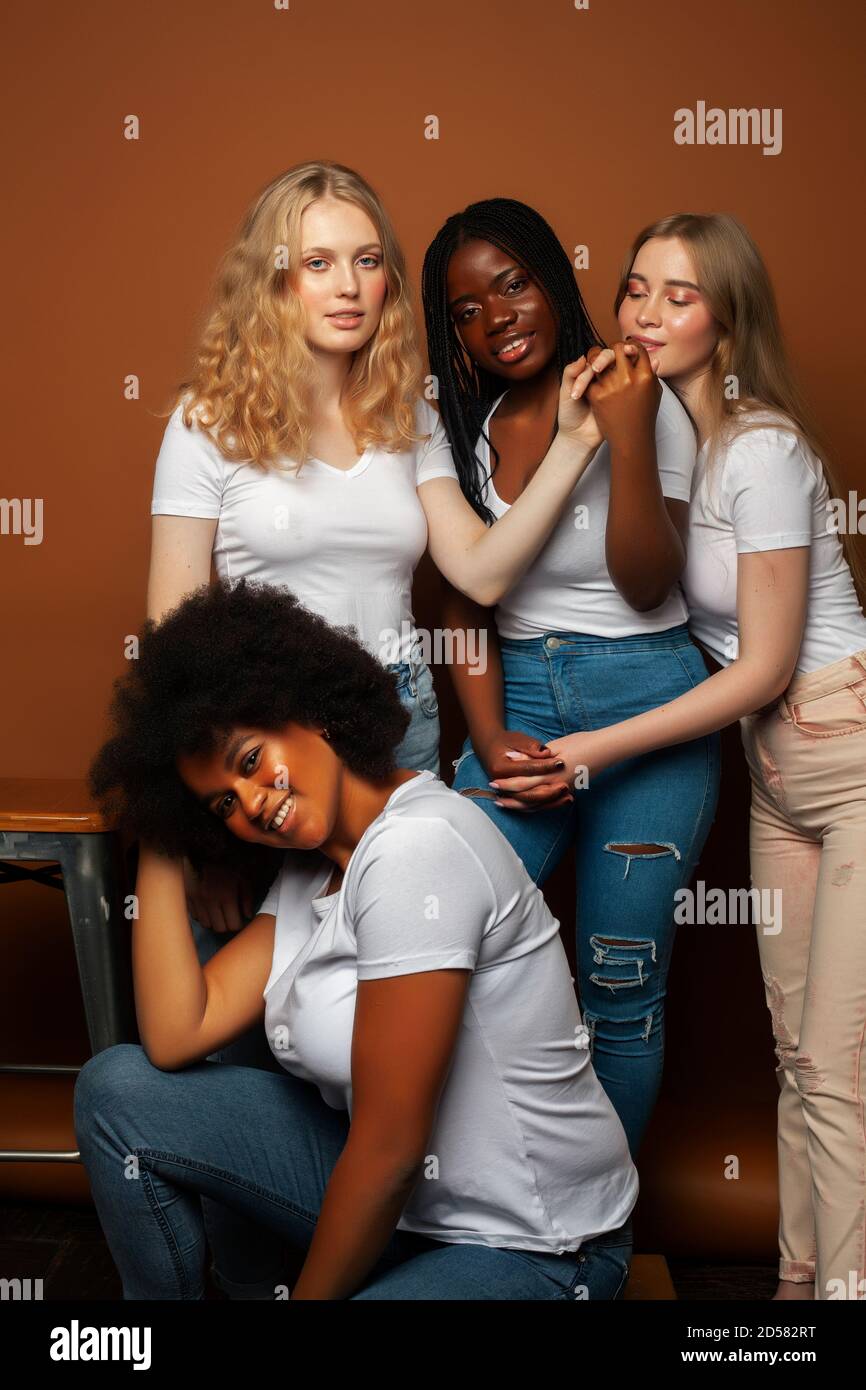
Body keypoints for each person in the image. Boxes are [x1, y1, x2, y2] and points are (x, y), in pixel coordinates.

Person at [145, 162, 605, 1291]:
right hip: (254, 764)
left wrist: (579, 448)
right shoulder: (204, 421)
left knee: (372, 1049)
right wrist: (196, 826)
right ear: (274, 281)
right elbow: (169, 642)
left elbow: (476, 568)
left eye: (365, 261)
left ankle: (393, 1258)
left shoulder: (402, 411)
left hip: (389, 741)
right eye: (315, 263)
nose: (345, 286)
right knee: (242, 1046)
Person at [491, 212, 866, 1302]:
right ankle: (797, 1295)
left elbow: (757, 669)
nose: (646, 315)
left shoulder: (759, 449)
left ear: (728, 317)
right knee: (797, 1063)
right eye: (634, 290)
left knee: (837, 1074)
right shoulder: (686, 441)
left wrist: (584, 751)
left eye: (679, 296)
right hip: (779, 775)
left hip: (841, 754)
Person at [77, 578, 638, 1301]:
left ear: (310, 711)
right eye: (222, 803)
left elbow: (390, 1150)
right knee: (116, 1090)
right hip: (415, 1218)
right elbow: (178, 1033)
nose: (250, 803)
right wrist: (161, 825)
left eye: (249, 762)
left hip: (537, 1247)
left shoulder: (416, 850)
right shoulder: (312, 874)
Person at [421, 198, 720, 1159]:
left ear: (553, 276)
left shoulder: (646, 396)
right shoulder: (466, 428)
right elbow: (466, 603)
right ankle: (487, 1216)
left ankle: (599, 1240)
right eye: (466, 308)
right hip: (523, 703)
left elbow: (645, 581)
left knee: (620, 982)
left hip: (654, 706)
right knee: (436, 941)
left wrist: (626, 431)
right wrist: (485, 731)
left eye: (512, 283)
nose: (497, 315)